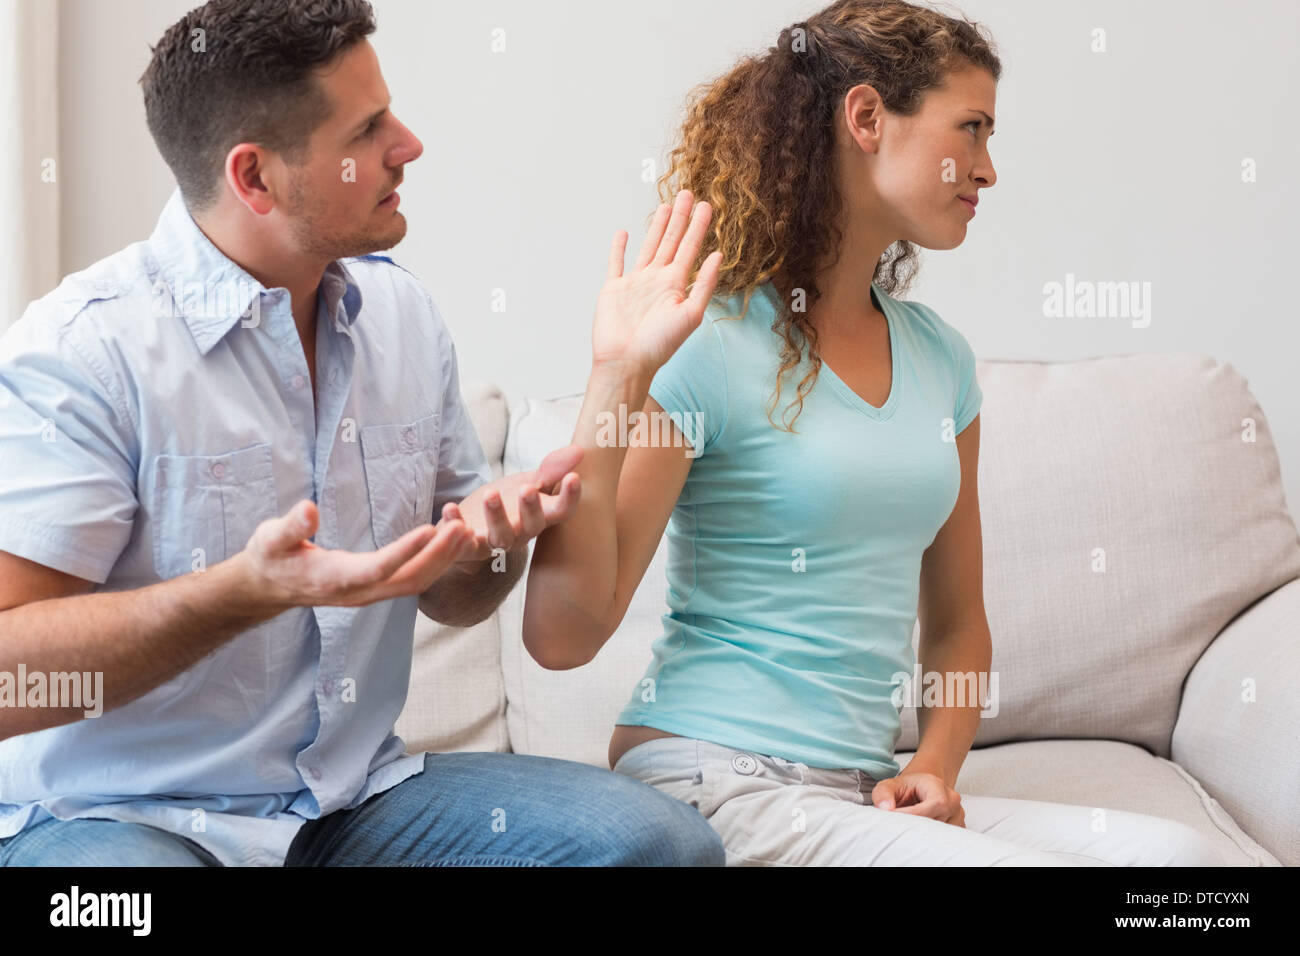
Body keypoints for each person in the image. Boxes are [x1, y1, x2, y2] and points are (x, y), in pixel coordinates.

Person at [0, 0, 724, 868]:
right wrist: (240, 593)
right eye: (367, 131)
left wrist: (481, 548)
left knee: (657, 847)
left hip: (353, 805)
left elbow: (457, 597)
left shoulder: (401, 315)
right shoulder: (86, 348)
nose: (409, 145)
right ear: (255, 178)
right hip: (123, 816)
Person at [522, 0, 1227, 866]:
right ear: (866, 117)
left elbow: (960, 621)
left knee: (1193, 870)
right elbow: (565, 636)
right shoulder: (704, 344)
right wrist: (616, 375)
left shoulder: (942, 361)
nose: (988, 169)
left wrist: (935, 766)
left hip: (861, 789)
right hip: (711, 779)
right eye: (970, 130)